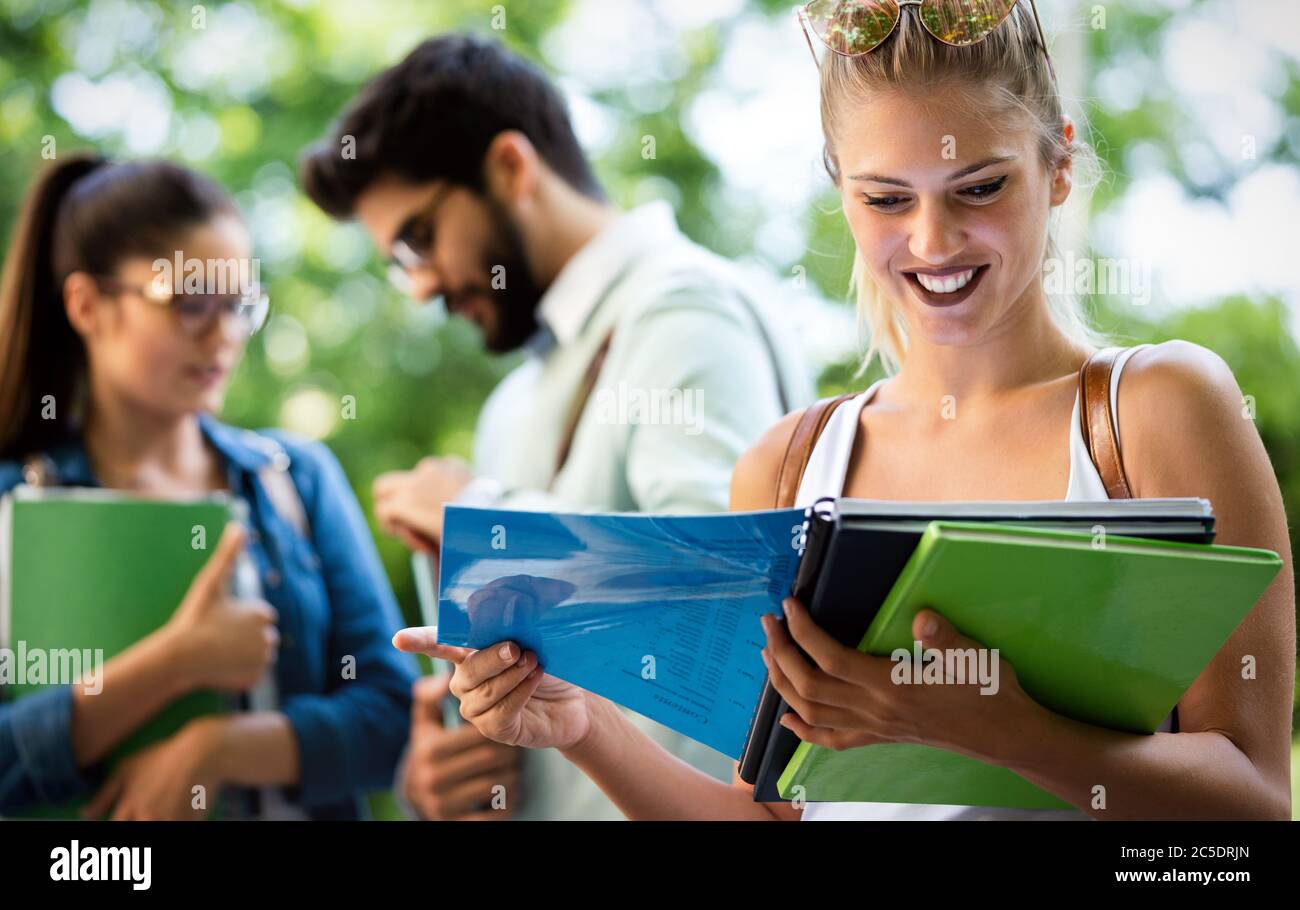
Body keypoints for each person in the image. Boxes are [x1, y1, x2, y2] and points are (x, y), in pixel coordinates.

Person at [396, 1, 1295, 820]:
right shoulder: (787, 466)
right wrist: (585, 722)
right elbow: (771, 819)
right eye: (886, 199)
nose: (934, 242)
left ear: (1058, 165)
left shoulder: (1158, 411)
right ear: (841, 190)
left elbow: (1253, 801)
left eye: (981, 188)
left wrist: (994, 727)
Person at [300, 33, 814, 821]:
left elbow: (734, 608)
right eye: (399, 262)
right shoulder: (517, 399)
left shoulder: (681, 312)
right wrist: (464, 761)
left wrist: (487, 520)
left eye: (419, 239)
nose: (421, 285)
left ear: (511, 167)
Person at [0, 155, 417, 820]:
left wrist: (218, 748)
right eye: (190, 303)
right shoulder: (11, 505)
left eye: (240, 305)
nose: (223, 336)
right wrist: (177, 662)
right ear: (86, 305)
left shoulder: (295, 480)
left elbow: (393, 716)